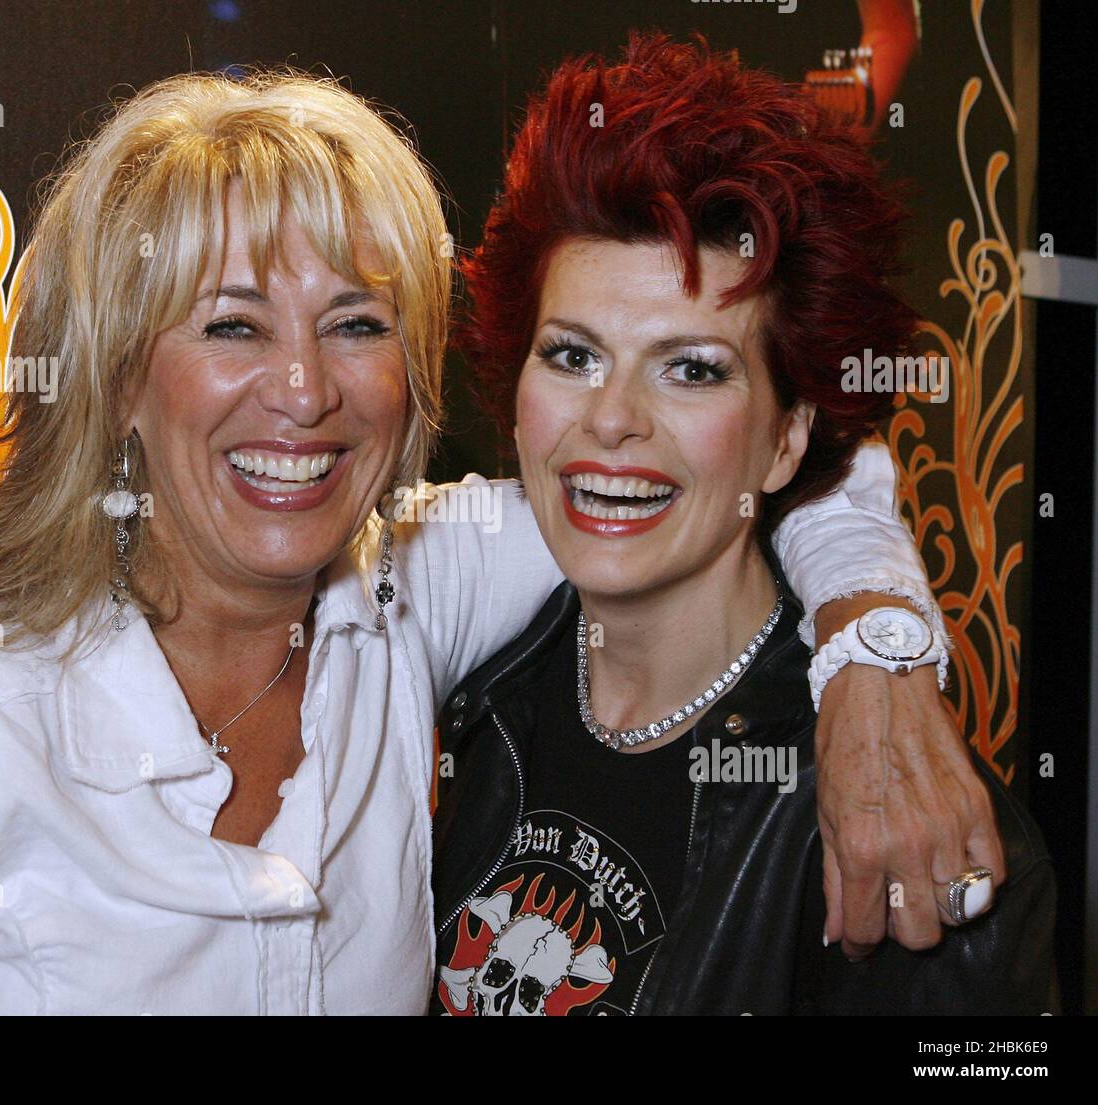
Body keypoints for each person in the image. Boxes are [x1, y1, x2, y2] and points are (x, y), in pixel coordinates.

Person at [0, 65, 984, 1015]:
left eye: (356, 324)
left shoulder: (414, 583)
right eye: (232, 323)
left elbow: (747, 469)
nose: (306, 390)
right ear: (117, 381)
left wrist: (866, 659)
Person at [430, 33, 1054, 1016]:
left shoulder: (889, 814)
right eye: (572, 355)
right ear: (514, 398)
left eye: (691, 368)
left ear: (783, 442)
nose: (611, 418)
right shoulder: (475, 681)